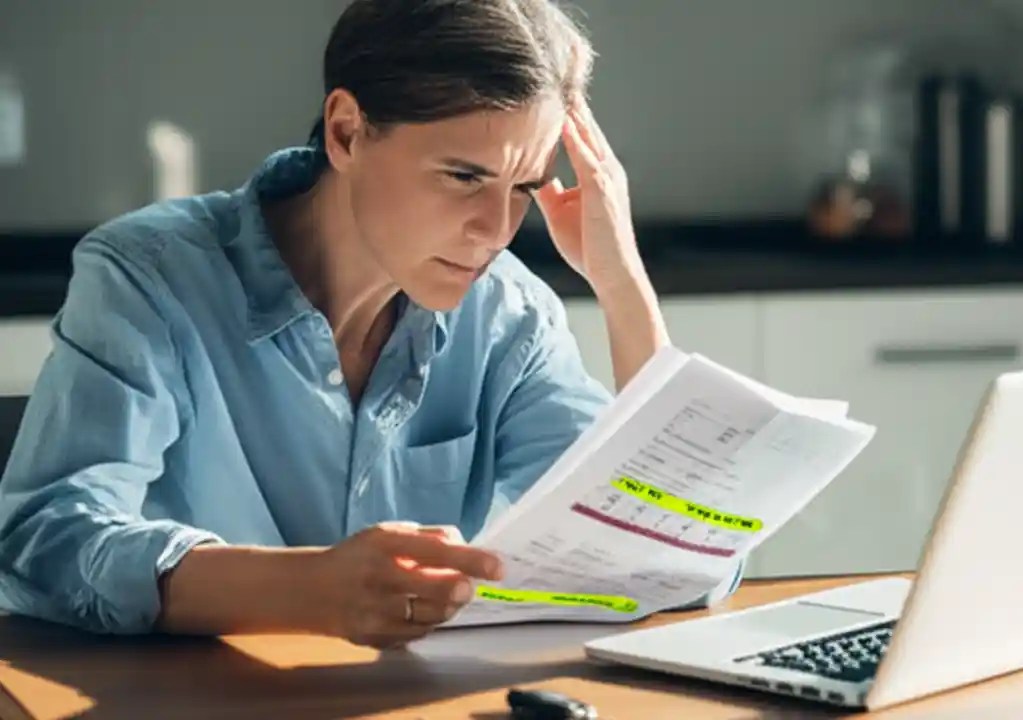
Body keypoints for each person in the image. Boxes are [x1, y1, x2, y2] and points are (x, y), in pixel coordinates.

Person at [0, 0, 739, 648]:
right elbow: (47, 541)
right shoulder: (151, 276)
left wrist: (622, 283)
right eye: (465, 176)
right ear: (348, 132)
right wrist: (305, 590)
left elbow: (679, 557)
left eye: (524, 187)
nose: (496, 230)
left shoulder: (510, 317)